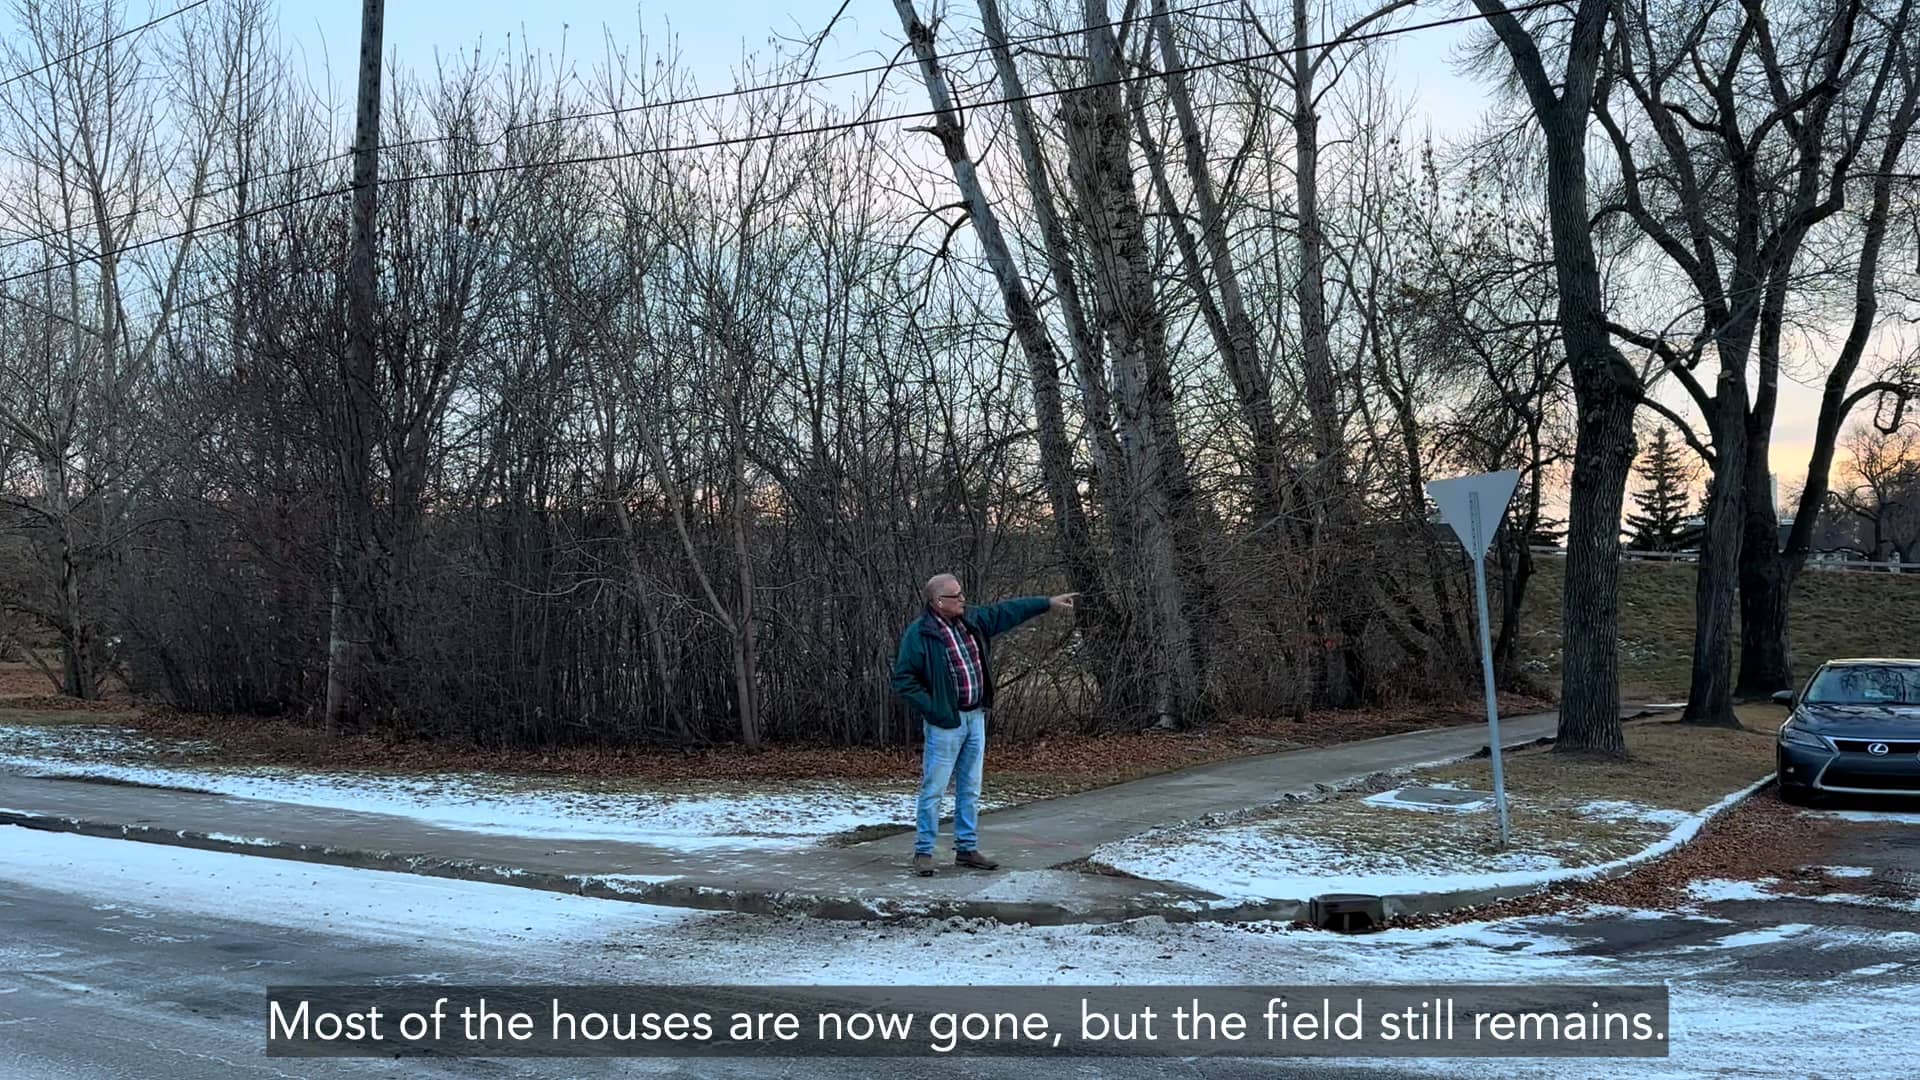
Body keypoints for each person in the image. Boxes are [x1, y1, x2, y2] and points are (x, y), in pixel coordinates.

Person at [890, 573, 1076, 876]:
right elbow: (904, 680)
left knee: (970, 788)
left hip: (975, 718)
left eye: (962, 594)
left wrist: (1047, 603)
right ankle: (924, 851)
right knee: (934, 789)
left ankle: (966, 848)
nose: (963, 599)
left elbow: (1007, 611)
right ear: (938, 602)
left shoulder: (972, 621)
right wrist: (935, 709)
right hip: (945, 724)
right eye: (956, 595)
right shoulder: (920, 634)